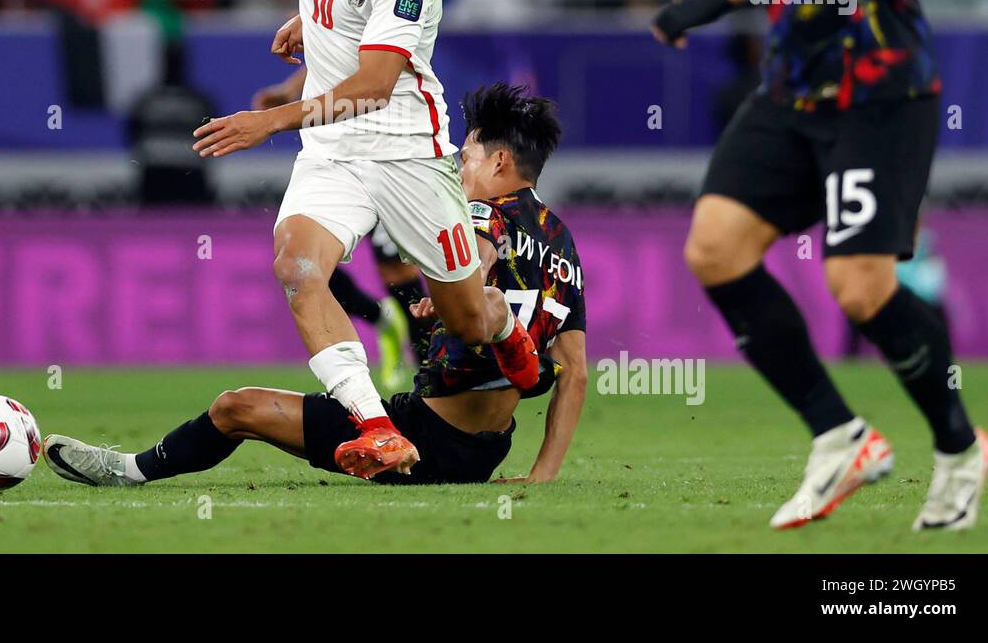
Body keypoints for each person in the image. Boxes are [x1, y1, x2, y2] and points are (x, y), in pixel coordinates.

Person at [651, 0, 988, 532]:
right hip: (800, 77)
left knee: (861, 285)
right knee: (717, 246)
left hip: (874, 74)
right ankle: (840, 436)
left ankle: (958, 447)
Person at [190, 0, 541, 479]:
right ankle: (376, 429)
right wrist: (316, 22)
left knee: (465, 320)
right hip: (333, 150)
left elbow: (376, 86)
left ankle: (507, 333)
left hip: (407, 148)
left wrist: (270, 122)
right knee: (297, 268)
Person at [44, 84, 587, 487]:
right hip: (488, 447)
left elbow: (482, 246)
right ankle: (506, 341)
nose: (456, 168)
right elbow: (577, 374)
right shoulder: (563, 245)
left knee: (237, 407)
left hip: (428, 437)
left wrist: (469, 284)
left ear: (499, 159)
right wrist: (541, 476)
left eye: (464, 157)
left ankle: (125, 471)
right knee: (469, 317)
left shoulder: (472, 215)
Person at [252, 65, 425, 391]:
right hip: (337, 158)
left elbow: (375, 65)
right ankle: (380, 318)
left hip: (392, 156)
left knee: (399, 274)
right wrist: (291, 88)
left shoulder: (388, 19)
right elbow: (332, 51)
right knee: (305, 262)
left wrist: (278, 114)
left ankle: (430, 385)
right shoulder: (333, 20)